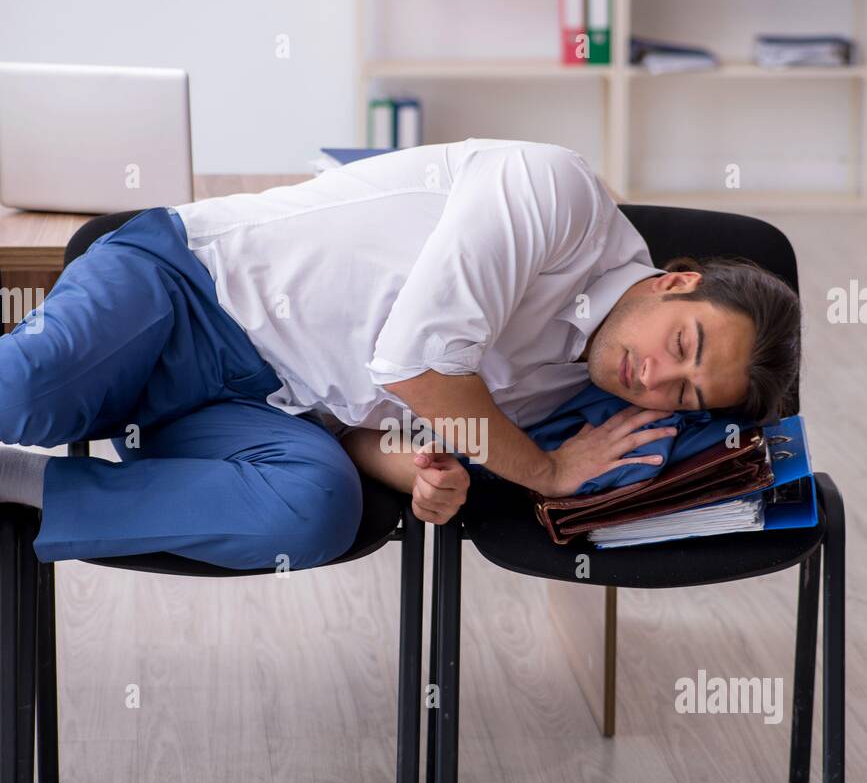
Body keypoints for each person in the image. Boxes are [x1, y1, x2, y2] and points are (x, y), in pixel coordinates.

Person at [0, 136, 801, 566]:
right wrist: (547, 470)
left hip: (265, 408)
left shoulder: (564, 399)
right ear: (674, 282)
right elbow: (416, 367)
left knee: (314, 509)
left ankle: (19, 481)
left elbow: (364, 426)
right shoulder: (553, 191)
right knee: (27, 392)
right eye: (683, 344)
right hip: (185, 291)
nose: (656, 378)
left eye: (688, 394)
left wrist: (419, 472)